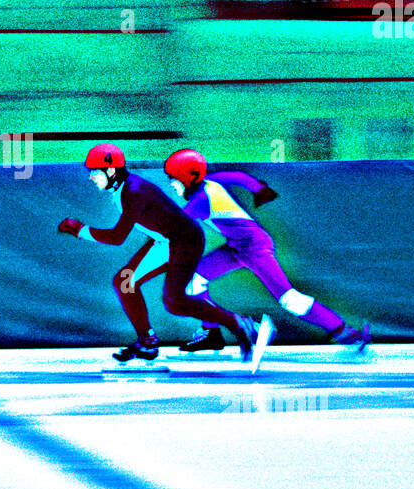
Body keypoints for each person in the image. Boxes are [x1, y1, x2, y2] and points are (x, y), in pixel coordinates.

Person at [57, 143, 272, 366]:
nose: (91, 177)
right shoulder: (121, 189)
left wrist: (79, 230)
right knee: (124, 282)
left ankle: (241, 324)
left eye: (95, 172)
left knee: (175, 302)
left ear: (110, 170)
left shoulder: (133, 191)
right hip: (164, 241)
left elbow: (117, 237)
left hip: (185, 240)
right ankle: (147, 342)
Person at [163, 148, 371, 355]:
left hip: (254, 247)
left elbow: (175, 228)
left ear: (189, 177)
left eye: (173, 179)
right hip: (237, 246)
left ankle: (346, 333)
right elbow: (238, 177)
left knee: (289, 299)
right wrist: (259, 189)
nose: (171, 184)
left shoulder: (201, 201)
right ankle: (212, 334)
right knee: (193, 280)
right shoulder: (212, 181)